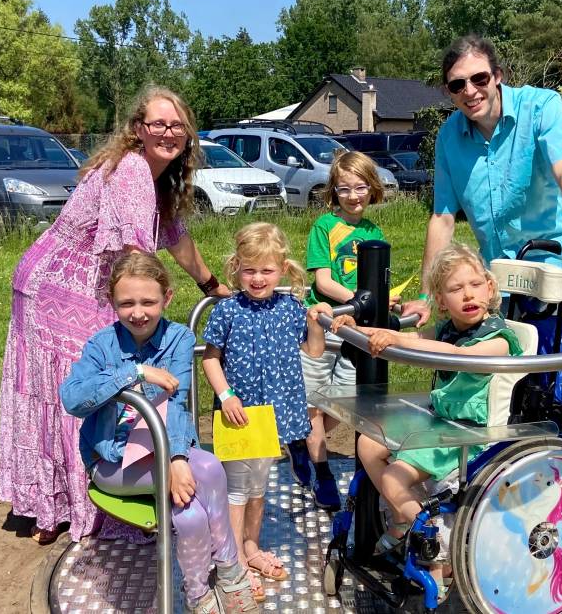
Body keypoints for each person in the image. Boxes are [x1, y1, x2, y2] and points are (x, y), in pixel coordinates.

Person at [0, 85, 230, 545]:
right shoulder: (132, 170)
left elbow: (177, 238)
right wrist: (155, 304)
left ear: (188, 133)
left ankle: (66, 502)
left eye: (176, 124)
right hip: (58, 286)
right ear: (138, 129)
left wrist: (212, 286)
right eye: (158, 123)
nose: (168, 132)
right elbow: (136, 256)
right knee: (85, 384)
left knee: (112, 376)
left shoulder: (160, 178)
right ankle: (72, 505)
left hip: (96, 282)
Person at [402, 34, 562, 475]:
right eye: (457, 85)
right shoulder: (449, 137)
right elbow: (442, 218)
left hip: (556, 273)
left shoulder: (542, 109)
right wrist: (426, 297)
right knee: (491, 384)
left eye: (479, 78)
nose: (470, 91)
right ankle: (485, 474)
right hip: (495, 281)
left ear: (498, 76)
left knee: (557, 387)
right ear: (448, 91)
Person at [59, 253, 257, 614]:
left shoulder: (178, 337)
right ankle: (221, 581)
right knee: (208, 474)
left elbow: (177, 404)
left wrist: (177, 458)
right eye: (126, 303)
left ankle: (211, 586)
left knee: (196, 505)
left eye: (148, 302)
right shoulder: (102, 345)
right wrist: (134, 372)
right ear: (112, 302)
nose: (138, 312)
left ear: (167, 298)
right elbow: (72, 398)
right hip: (115, 460)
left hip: (166, 446)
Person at [334, 243, 522, 599]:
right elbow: (414, 338)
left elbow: (457, 356)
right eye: (455, 289)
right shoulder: (450, 328)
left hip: (469, 438)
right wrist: (360, 330)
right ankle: (412, 522)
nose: (468, 295)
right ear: (441, 299)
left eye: (475, 285)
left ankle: (429, 541)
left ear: (490, 288)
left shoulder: (497, 339)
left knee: (392, 477)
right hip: (442, 425)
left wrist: (400, 339)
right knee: (368, 443)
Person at [201, 222, 333, 601]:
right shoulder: (228, 310)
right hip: (241, 413)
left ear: (282, 270)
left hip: (272, 414)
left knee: (259, 484)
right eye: (249, 270)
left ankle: (252, 545)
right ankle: (234, 559)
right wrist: (226, 395)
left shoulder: (291, 309)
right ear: (236, 268)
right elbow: (211, 358)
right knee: (236, 488)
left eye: (266, 270)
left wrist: (315, 323)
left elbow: (313, 352)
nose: (257, 278)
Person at [290, 150, 389, 511]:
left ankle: (302, 441)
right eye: (345, 189)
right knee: (314, 400)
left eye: (361, 187)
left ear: (372, 188)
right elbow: (324, 280)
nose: (353, 196)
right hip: (326, 325)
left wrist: (382, 300)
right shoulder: (325, 227)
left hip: (356, 329)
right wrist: (362, 300)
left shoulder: (373, 232)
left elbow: (375, 277)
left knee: (347, 401)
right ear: (334, 191)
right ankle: (323, 472)